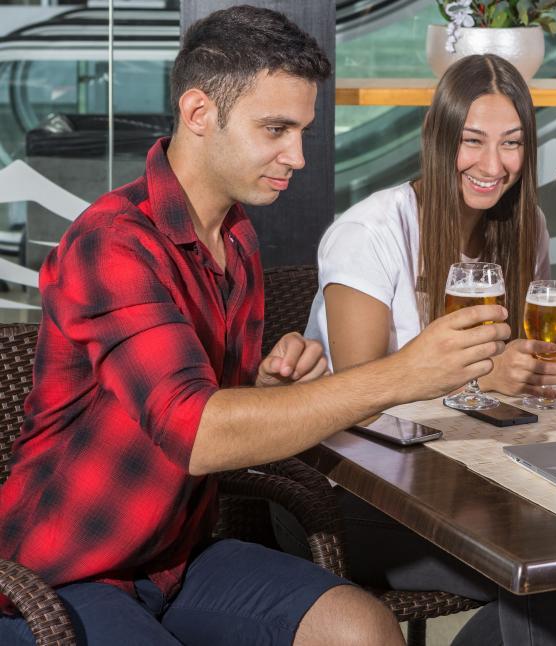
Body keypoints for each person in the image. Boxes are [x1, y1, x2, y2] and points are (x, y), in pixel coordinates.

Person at [0, 7, 511, 646]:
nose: (295, 154)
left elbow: (215, 408)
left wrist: (268, 390)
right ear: (198, 113)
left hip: (176, 559)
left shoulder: (235, 238)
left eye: (301, 130)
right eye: (275, 128)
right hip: (65, 572)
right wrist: (400, 375)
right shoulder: (111, 245)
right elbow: (198, 434)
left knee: (361, 627)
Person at [304, 54, 556, 645]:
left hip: (464, 478)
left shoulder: (522, 224)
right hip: (354, 493)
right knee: (543, 570)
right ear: (438, 136)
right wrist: (480, 384)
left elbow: (515, 384)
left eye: (511, 143)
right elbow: (358, 402)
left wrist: (530, 374)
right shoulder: (370, 233)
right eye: (472, 141)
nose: (493, 164)